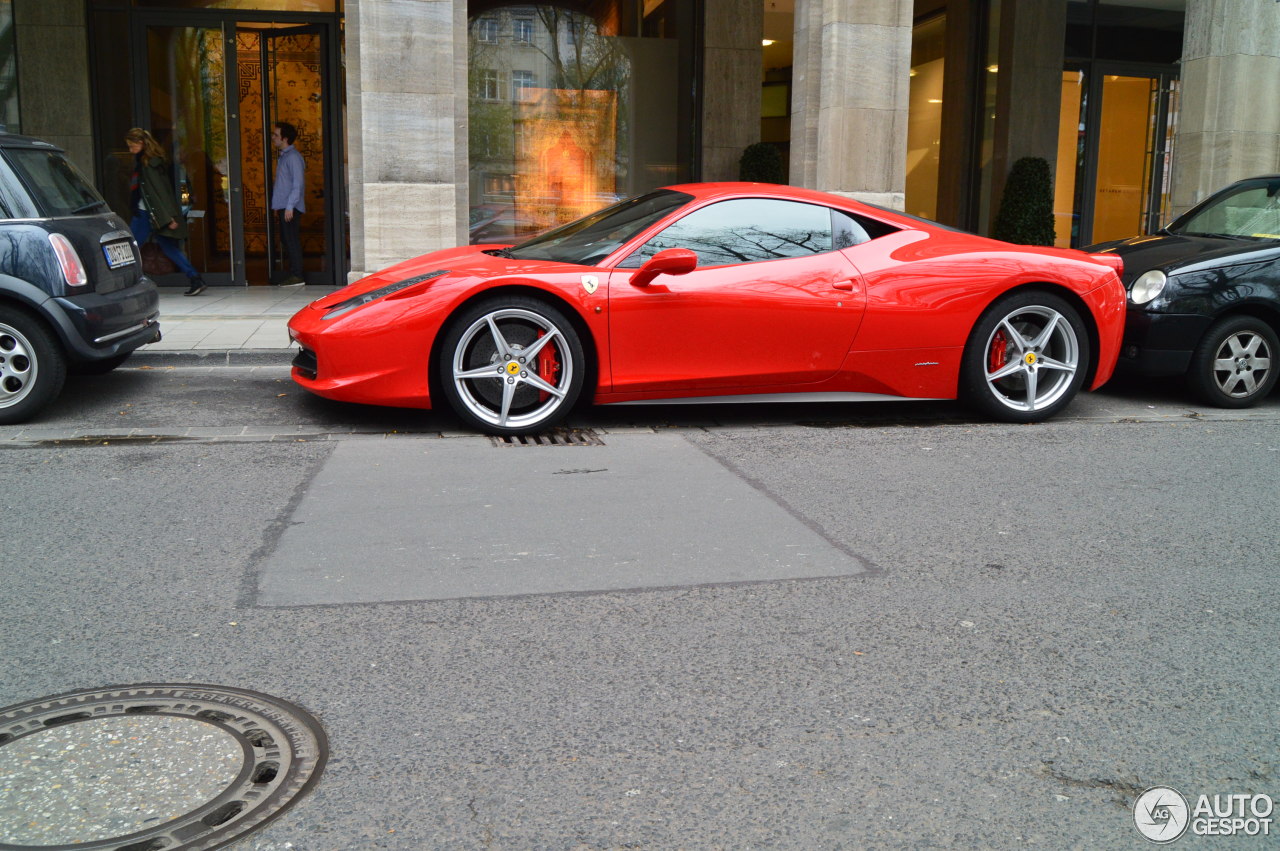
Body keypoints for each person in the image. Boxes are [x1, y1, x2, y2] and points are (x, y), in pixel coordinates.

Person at [125, 128, 206, 296]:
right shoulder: (147, 161)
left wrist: (169, 217)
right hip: (153, 213)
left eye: (131, 145)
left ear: (140, 144)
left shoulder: (148, 164)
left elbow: (160, 192)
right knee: (168, 247)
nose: (130, 149)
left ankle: (127, 283)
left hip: (148, 213)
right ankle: (195, 278)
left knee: (130, 248)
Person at [270, 121, 306, 286]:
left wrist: (290, 206)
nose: (273, 138)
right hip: (285, 207)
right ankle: (294, 273)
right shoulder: (285, 157)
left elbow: (297, 184)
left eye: (276, 135)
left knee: (291, 240)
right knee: (287, 239)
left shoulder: (293, 157)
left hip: (290, 207)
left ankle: (297, 275)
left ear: (284, 138)